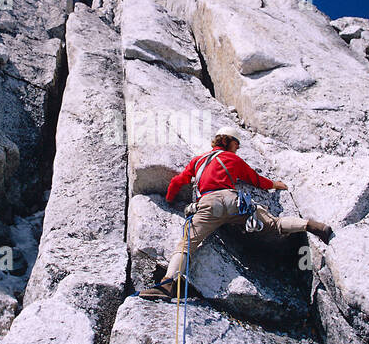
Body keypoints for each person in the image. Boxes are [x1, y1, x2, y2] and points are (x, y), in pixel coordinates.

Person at [138, 126, 332, 300]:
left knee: (186, 244)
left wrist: (170, 200)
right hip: (234, 202)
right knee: (274, 224)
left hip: (209, 204)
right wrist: (275, 184)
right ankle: (313, 226)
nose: (237, 148)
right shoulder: (233, 159)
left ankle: (168, 285)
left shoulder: (198, 161)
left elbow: (177, 181)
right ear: (229, 142)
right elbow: (255, 179)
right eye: (236, 145)